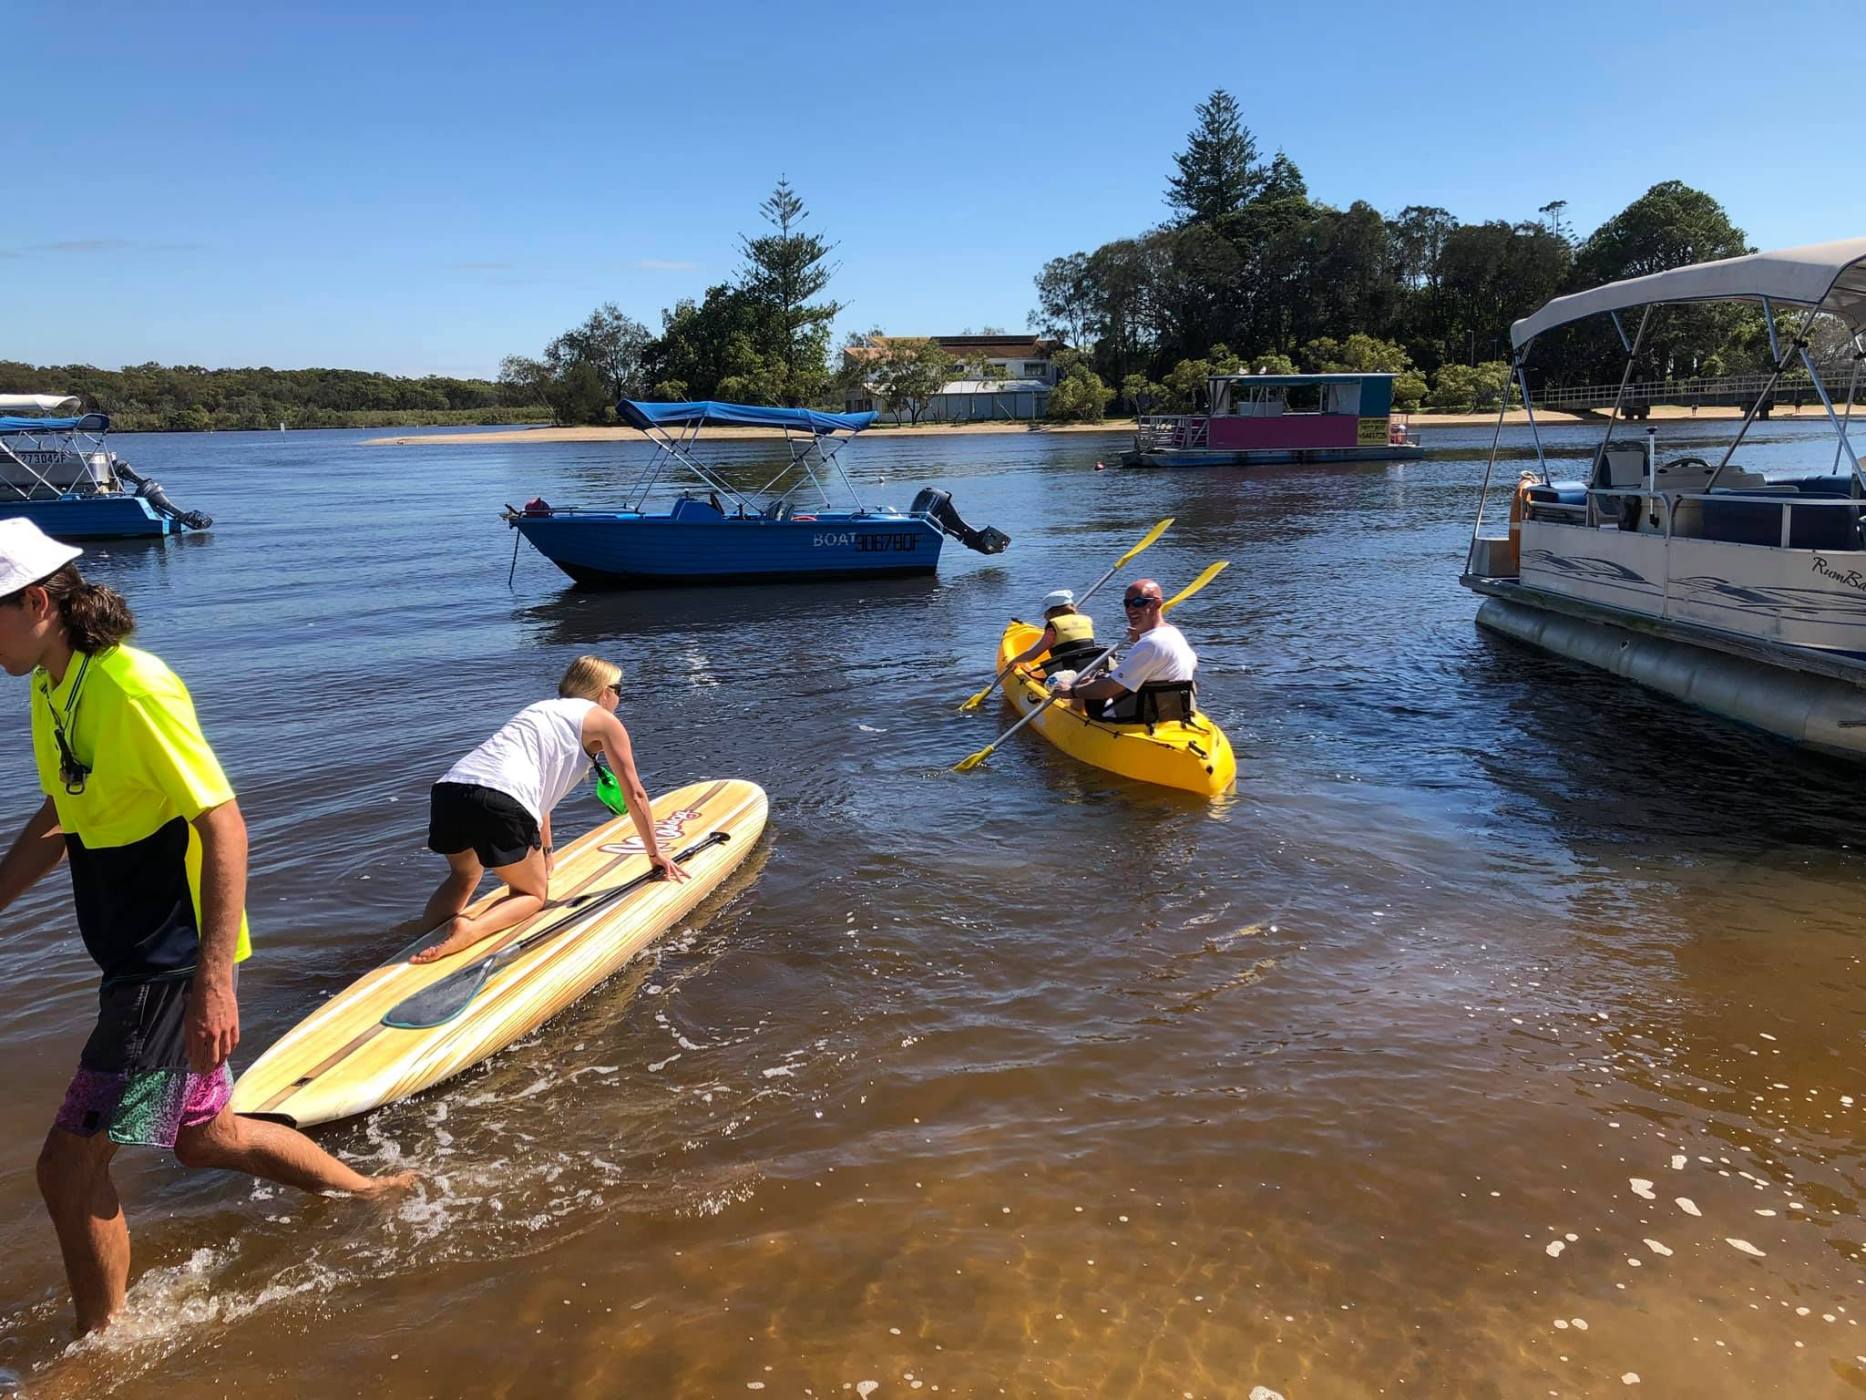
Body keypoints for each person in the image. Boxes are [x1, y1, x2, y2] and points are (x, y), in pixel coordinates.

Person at [0, 519, 413, 1338]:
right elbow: (65, 811)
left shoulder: (133, 686)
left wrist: (212, 983)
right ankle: (374, 1195)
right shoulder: (51, 686)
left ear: (38, 601)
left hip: (169, 965)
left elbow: (222, 823)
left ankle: (101, 1350)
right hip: (130, 957)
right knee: (203, 1135)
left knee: (67, 1167)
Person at [408, 654, 688, 964]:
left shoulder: (540, 709)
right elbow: (634, 793)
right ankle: (469, 930)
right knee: (532, 895)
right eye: (619, 689)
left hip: (450, 790)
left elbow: (540, 793)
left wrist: (547, 851)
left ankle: (420, 942)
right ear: (603, 690)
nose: (619, 697)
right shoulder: (605, 721)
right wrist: (654, 854)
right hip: (500, 799)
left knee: (463, 876)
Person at [1051, 577, 1199, 724]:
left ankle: (1072, 720)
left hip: (1136, 716)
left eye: (1138, 602)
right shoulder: (1172, 633)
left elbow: (1109, 689)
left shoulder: (1150, 644)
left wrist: (1072, 691)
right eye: (1127, 604)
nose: (1131, 609)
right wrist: (1140, 638)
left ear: (1157, 603)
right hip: (1170, 710)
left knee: (1084, 683)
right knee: (1098, 679)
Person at [1005, 588, 1100, 677]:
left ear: (1054, 612)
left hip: (1067, 670)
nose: (1044, 617)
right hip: (1092, 667)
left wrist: (1013, 661)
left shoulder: (1052, 626)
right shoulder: (1087, 620)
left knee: (1035, 674)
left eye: (1045, 613)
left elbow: (1033, 654)